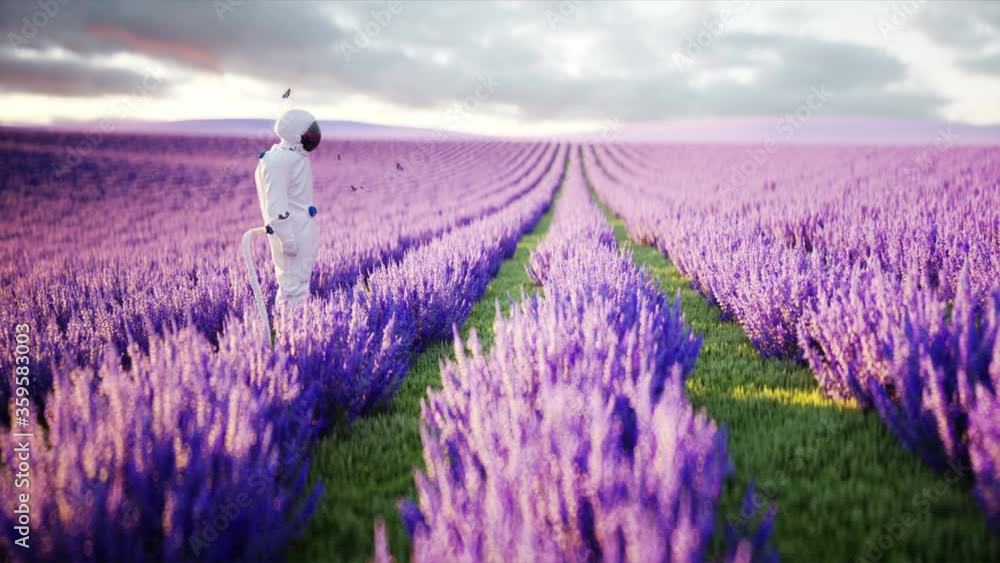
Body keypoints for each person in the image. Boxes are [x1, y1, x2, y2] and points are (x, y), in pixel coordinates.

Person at [254, 108, 322, 309]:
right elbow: (275, 204)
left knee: (298, 282)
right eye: (308, 135)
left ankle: (291, 328)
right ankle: (292, 332)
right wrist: (287, 237)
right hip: (292, 233)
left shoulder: (293, 157)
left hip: (300, 230)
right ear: (294, 134)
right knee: (293, 286)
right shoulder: (278, 161)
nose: (312, 139)